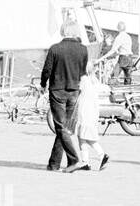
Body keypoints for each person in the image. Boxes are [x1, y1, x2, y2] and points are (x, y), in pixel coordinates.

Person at [39, 20, 88, 171]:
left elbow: (47, 69)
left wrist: (43, 84)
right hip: (74, 90)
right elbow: (83, 71)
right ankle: (54, 164)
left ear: (63, 31)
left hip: (57, 90)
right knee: (65, 128)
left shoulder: (55, 49)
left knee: (61, 128)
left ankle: (74, 160)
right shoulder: (83, 49)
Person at [73, 57, 110, 172]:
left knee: (83, 136)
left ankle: (101, 154)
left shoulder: (83, 79)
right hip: (93, 110)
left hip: (84, 109)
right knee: (85, 135)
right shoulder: (95, 80)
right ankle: (85, 162)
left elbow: (77, 91)